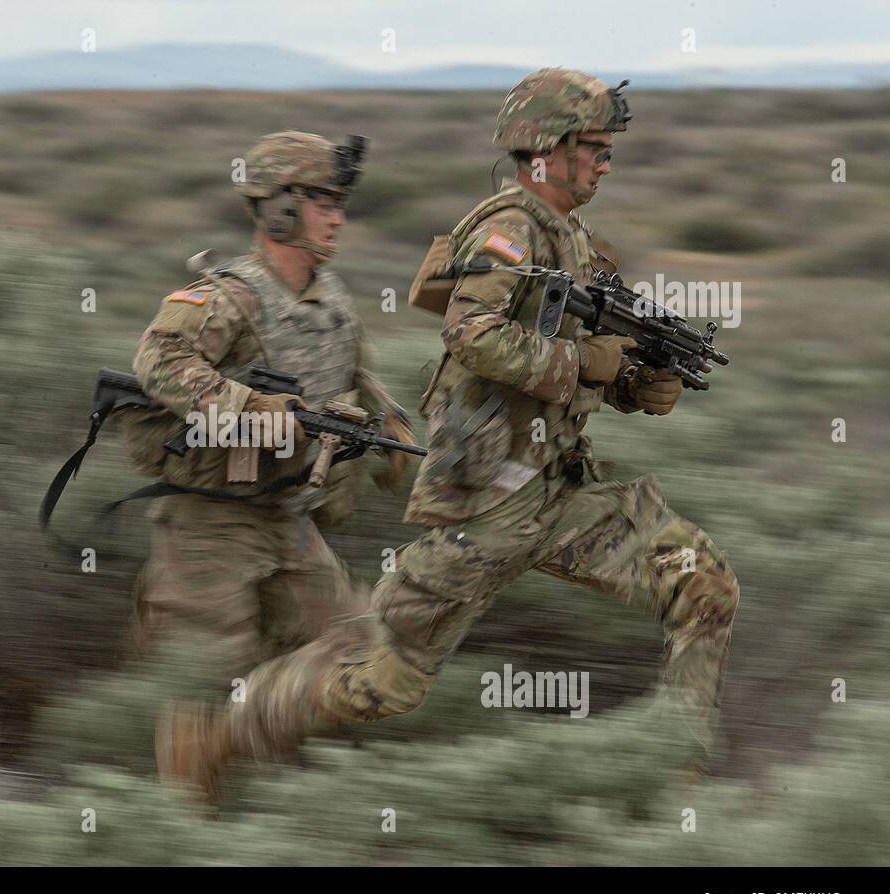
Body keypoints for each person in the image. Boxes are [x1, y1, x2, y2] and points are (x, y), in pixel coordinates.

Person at [159, 71, 739, 799]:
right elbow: (472, 333)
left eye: (607, 147)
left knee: (705, 585)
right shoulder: (509, 228)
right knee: (385, 678)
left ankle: (676, 776)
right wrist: (581, 362)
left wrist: (633, 383)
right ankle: (213, 737)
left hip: (562, 495)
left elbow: (579, 364)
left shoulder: (579, 243)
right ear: (543, 150)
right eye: (593, 146)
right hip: (482, 504)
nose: (605, 160)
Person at [128, 132, 414, 798]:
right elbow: (159, 361)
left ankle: (237, 754)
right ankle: (177, 821)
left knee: (367, 658)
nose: (339, 216)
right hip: (209, 527)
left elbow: (358, 377)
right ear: (280, 210)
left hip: (291, 522)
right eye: (323, 201)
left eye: (341, 202)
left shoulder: (331, 301)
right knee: (199, 683)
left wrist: (388, 431)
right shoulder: (228, 296)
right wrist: (248, 406)